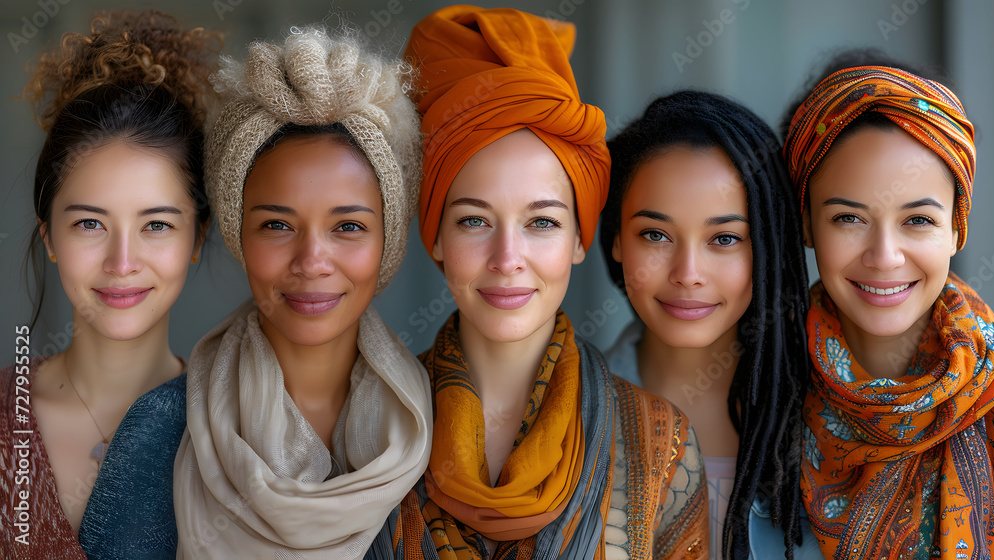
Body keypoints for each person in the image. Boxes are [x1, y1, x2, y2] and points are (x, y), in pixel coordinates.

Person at [395, 6, 709, 558]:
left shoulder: (660, 444)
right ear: (436, 237)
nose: (507, 258)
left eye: (542, 223)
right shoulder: (369, 428)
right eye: (474, 220)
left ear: (580, 240)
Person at [172, 25, 432, 559]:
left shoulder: (447, 432)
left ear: (390, 239)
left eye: (349, 227)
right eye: (276, 225)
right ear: (234, 230)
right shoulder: (165, 428)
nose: (312, 262)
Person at [0, 10, 218, 559]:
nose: (123, 262)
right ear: (49, 236)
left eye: (157, 225)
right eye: (90, 224)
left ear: (197, 238)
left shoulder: (233, 432)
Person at [783, 50, 994, 559]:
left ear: (956, 228)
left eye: (918, 220)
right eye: (848, 219)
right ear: (808, 224)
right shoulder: (756, 391)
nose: (884, 257)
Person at [599, 91, 819, 559]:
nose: (688, 271)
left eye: (724, 238)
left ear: (768, 248)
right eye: (655, 234)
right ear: (617, 239)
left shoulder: (837, 430)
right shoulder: (567, 424)